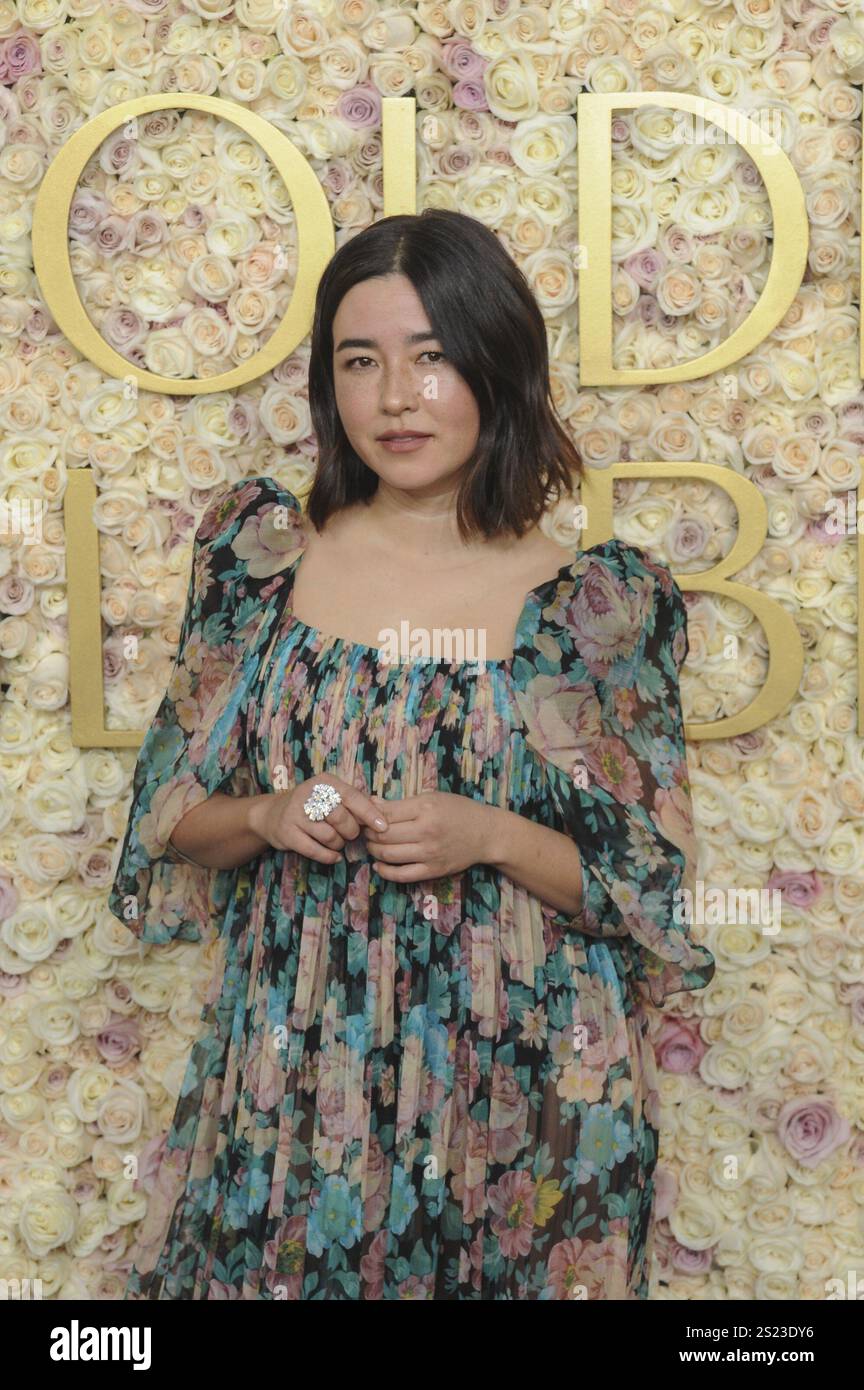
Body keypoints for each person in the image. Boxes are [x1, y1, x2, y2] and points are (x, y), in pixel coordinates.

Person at [109, 208, 715, 1301]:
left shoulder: (592, 607)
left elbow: (647, 888)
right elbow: (168, 820)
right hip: (299, 1082)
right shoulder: (261, 563)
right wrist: (265, 814)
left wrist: (489, 833)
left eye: (432, 357)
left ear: (497, 362)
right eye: (361, 360)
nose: (395, 397)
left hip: (525, 1087)